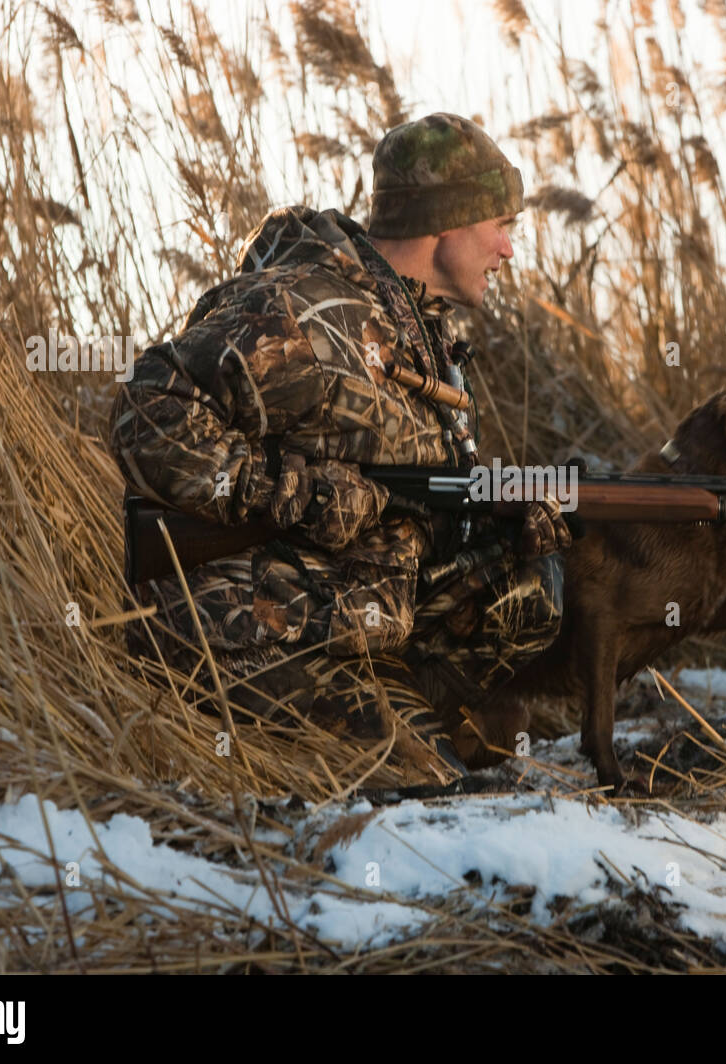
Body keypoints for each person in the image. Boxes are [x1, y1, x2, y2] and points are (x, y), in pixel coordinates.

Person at [110, 113, 571, 782]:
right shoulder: (307, 314)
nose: (507, 249)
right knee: (437, 801)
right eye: (498, 225)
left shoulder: (420, 330)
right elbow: (147, 407)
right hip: (250, 629)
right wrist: (286, 490)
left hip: (348, 624)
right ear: (444, 222)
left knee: (533, 584)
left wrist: (497, 520)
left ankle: (435, 731)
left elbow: (397, 495)